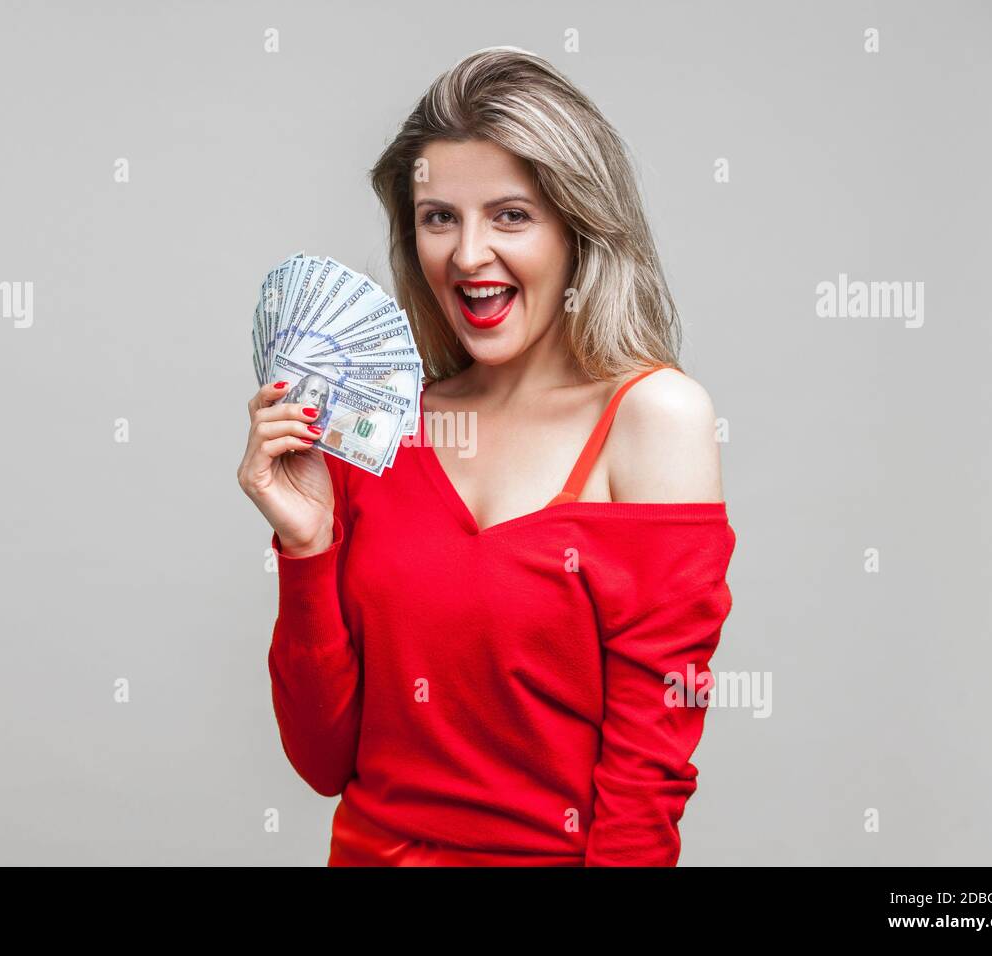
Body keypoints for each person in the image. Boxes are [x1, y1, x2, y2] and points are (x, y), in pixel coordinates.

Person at [238, 46, 736, 866]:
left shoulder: (654, 418)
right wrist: (306, 547)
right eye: (440, 218)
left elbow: (649, 777)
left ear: (578, 228)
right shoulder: (381, 433)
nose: (468, 256)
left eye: (510, 215)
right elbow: (324, 761)